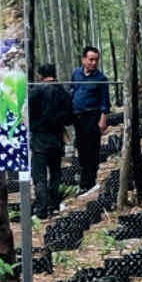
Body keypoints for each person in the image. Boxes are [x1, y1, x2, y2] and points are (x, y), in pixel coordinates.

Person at [29, 63, 72, 215]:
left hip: (40, 139)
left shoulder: (34, 92)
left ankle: (42, 209)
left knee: (39, 175)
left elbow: (26, 115)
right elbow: (69, 119)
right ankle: (53, 205)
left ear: (40, 76)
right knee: (55, 173)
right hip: (57, 139)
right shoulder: (64, 92)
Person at [71, 46, 111, 192]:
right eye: (91, 59)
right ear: (83, 59)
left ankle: (90, 182)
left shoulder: (101, 79)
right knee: (81, 149)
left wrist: (103, 118)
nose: (93, 63)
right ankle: (84, 182)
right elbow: (73, 91)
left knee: (92, 149)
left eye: (96, 60)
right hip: (78, 117)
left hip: (92, 117)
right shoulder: (76, 74)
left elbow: (105, 101)